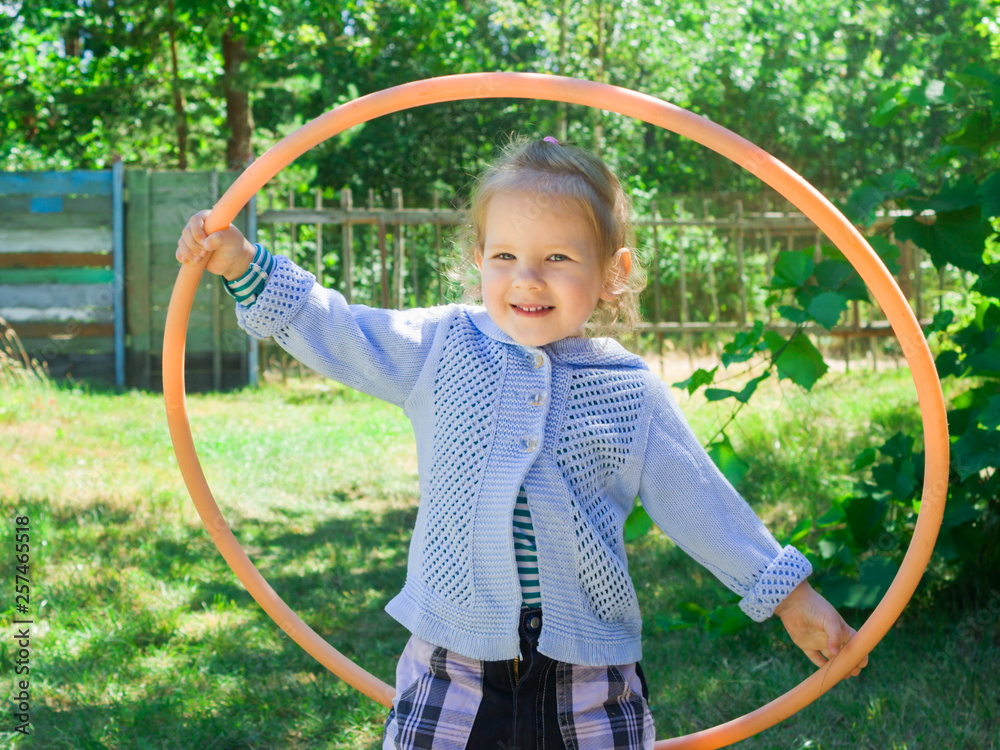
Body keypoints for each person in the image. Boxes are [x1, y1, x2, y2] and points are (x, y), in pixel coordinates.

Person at [176, 136, 867, 750]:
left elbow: (702, 502)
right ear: (479, 259)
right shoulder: (442, 346)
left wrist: (790, 597)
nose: (527, 278)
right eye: (504, 255)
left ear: (612, 271)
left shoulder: (629, 390)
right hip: (452, 662)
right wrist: (244, 263)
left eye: (558, 257)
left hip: (590, 676)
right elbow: (339, 329)